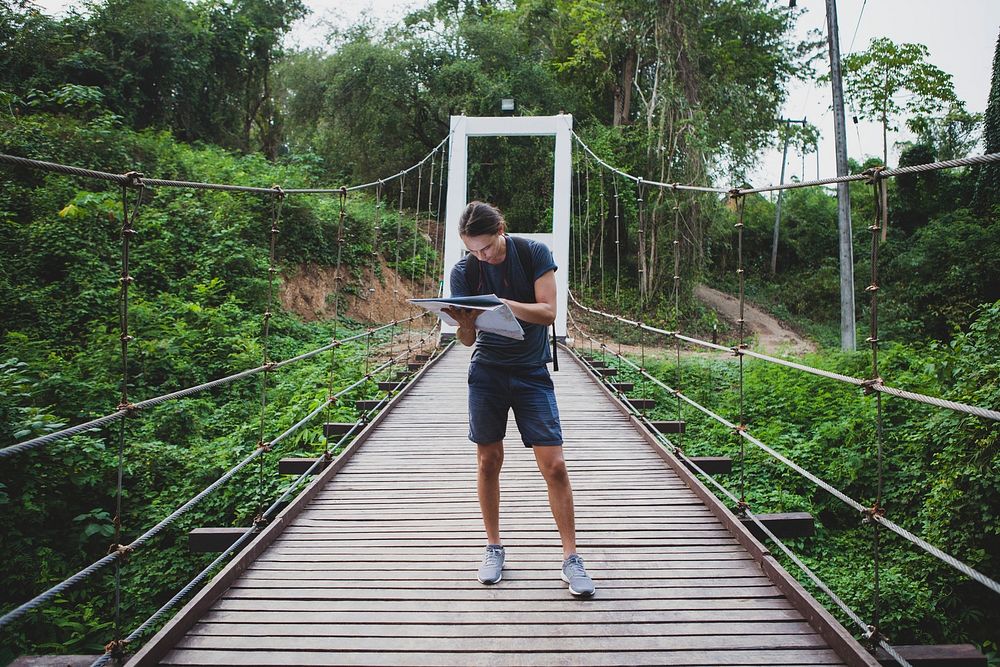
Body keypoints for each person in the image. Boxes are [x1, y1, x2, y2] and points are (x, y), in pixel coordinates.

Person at [443, 200, 595, 598]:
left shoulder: (533, 253)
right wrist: (464, 323)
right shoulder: (465, 270)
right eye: (473, 250)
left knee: (555, 465)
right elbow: (467, 341)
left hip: (531, 373)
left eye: (487, 248)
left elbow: (548, 313)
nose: (482, 256)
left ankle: (571, 557)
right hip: (487, 371)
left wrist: (502, 303)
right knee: (488, 459)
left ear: (500, 231)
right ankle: (493, 547)